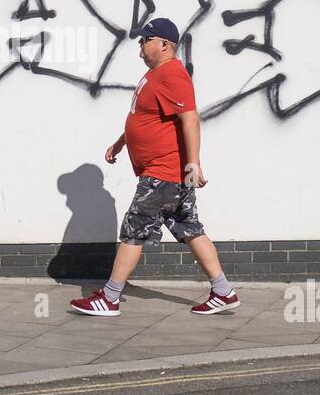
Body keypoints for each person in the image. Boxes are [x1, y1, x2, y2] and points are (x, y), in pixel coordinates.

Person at [70, 18, 239, 317]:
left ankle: (109, 298)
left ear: (164, 44)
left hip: (163, 173)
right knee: (190, 229)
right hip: (169, 174)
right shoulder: (155, 74)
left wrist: (193, 162)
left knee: (133, 230)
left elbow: (190, 119)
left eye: (145, 40)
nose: (140, 46)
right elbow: (143, 118)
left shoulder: (172, 74)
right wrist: (121, 143)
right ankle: (223, 291)